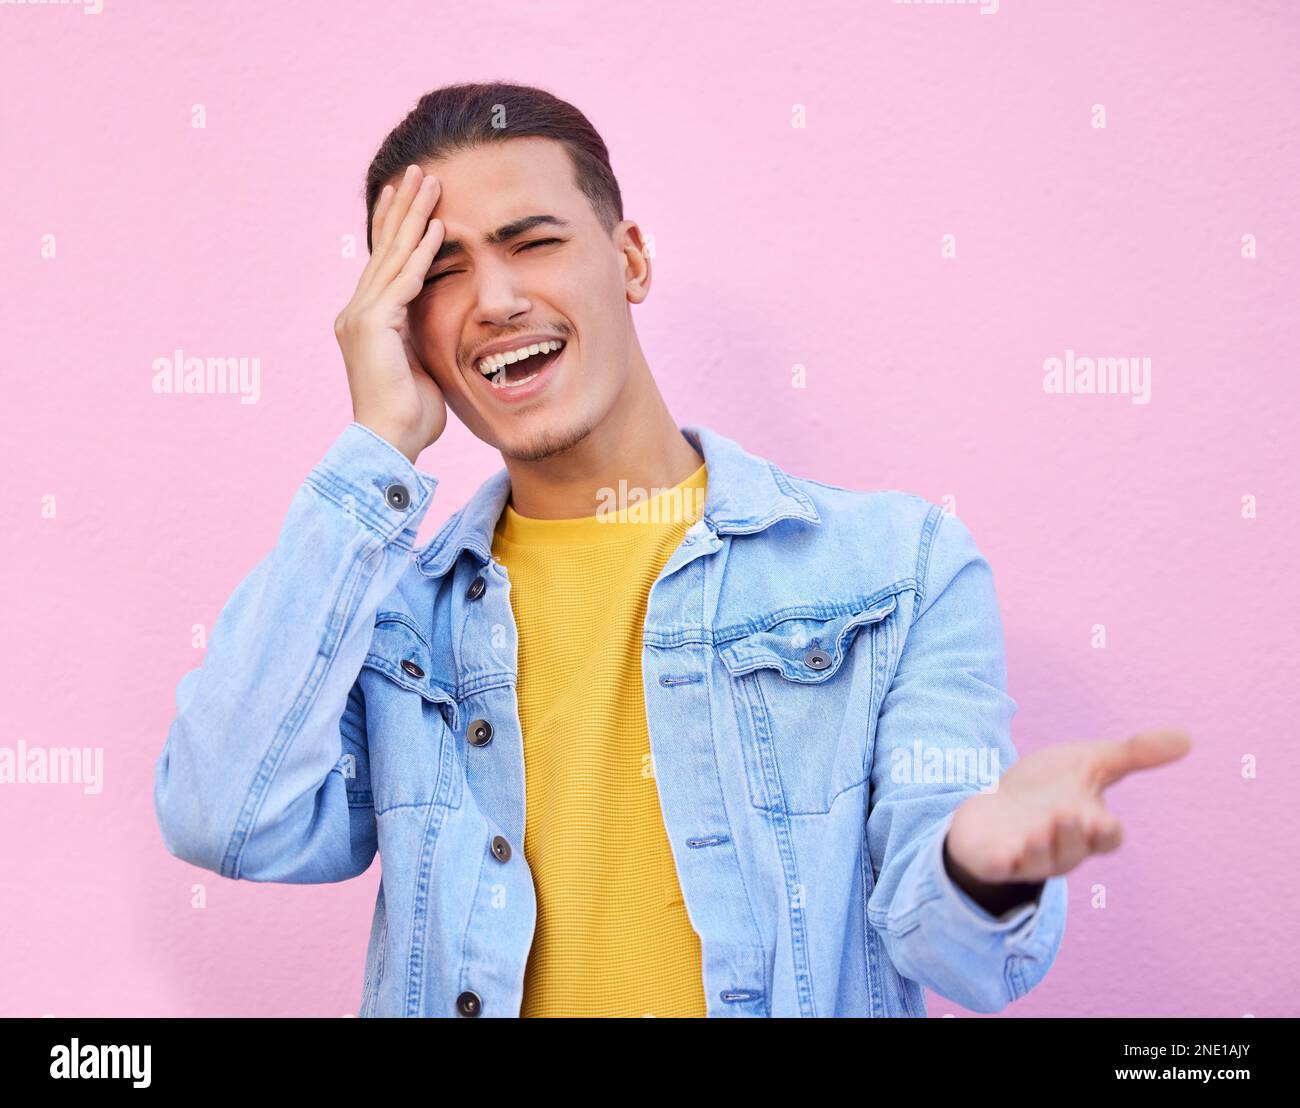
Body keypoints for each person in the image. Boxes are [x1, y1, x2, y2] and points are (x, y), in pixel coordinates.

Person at [152, 81, 1191, 1018]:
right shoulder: (390, 618)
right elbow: (225, 815)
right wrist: (376, 446)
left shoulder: (895, 569)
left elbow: (966, 955)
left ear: (631, 258)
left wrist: (978, 861)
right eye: (439, 272)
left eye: (533, 240)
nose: (495, 298)